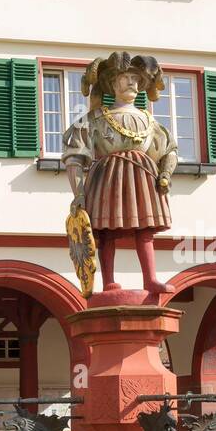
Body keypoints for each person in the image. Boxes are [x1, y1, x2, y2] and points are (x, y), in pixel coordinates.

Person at [62, 52, 178, 297]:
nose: (132, 83)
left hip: (143, 177)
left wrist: (166, 173)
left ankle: (151, 278)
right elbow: (75, 156)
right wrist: (78, 193)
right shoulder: (94, 119)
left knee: (145, 229)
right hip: (108, 177)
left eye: (135, 78)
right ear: (112, 84)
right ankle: (109, 281)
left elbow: (169, 150)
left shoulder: (150, 121)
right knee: (106, 232)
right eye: (125, 78)